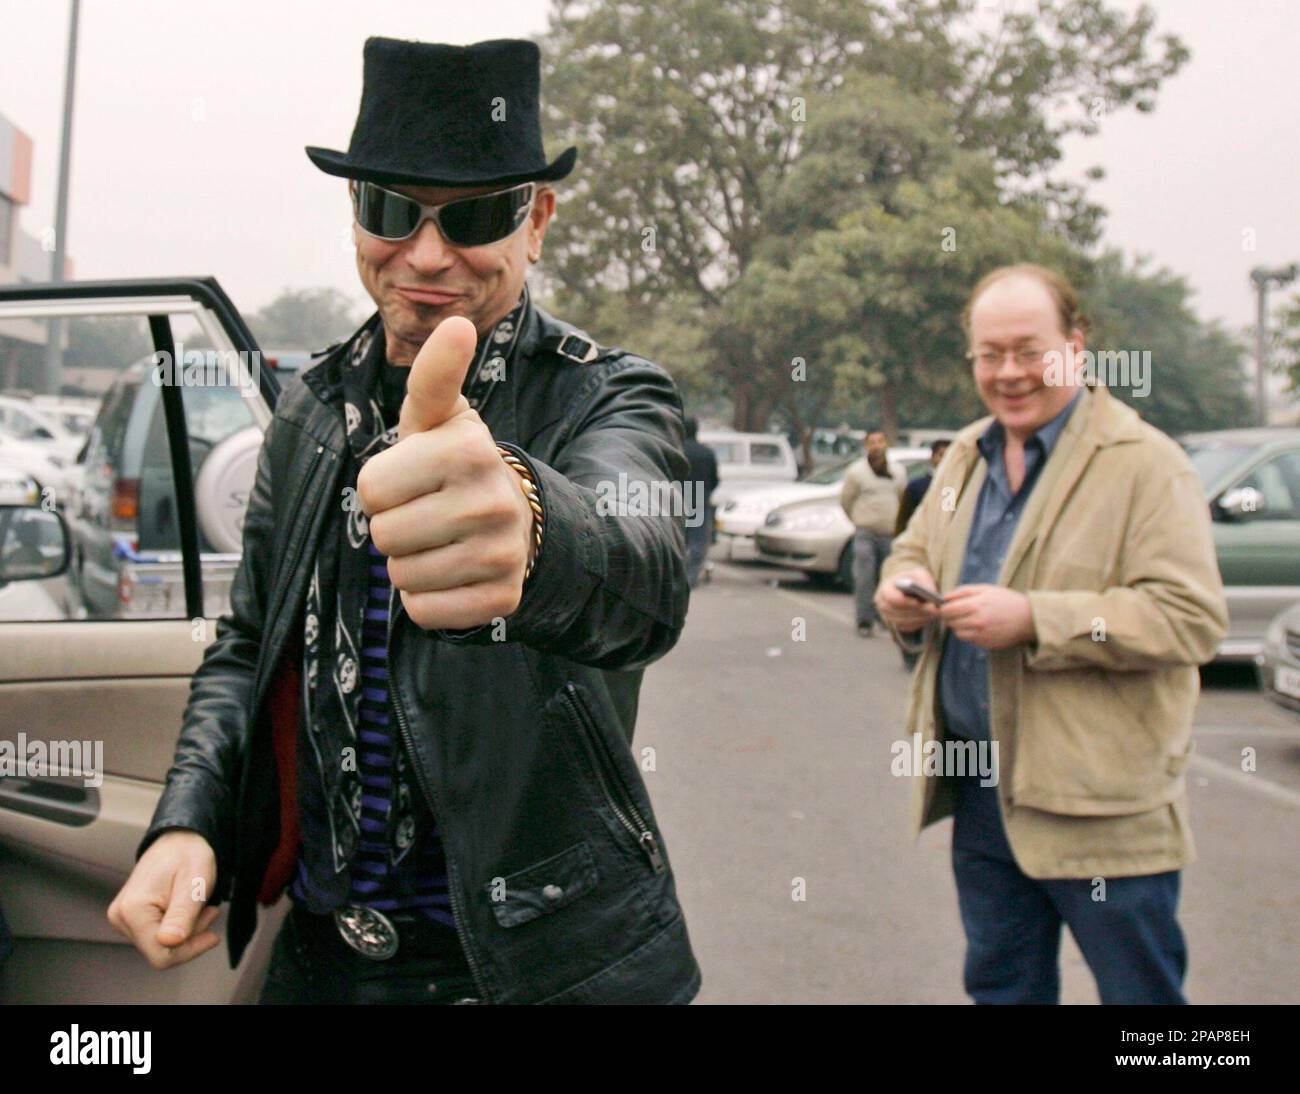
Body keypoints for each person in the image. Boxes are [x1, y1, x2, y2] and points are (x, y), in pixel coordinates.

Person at [106, 37, 701, 1006]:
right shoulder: (312, 403)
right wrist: (191, 822)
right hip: (322, 959)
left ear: (537, 219)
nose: (426, 255)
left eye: (473, 215)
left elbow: (644, 582)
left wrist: (535, 527)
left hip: (531, 966)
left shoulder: (609, 395)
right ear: (354, 213)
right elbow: (248, 641)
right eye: (392, 208)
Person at [876, 263, 1227, 1005]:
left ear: (1077, 344)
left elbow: (1190, 618)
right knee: (1003, 991)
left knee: (1144, 1005)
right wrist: (898, 592)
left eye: (1030, 350)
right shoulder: (967, 454)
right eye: (989, 354)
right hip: (981, 795)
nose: (1009, 373)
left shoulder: (1147, 465)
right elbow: (915, 548)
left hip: (1102, 807)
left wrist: (1036, 618)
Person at [839, 430, 906, 635]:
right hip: (865, 532)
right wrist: (859, 520)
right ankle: (864, 620)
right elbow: (846, 500)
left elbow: (903, 498)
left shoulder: (898, 471)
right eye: (872, 442)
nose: (877, 446)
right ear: (866, 446)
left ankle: (884, 616)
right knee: (864, 576)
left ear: (887, 444)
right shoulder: (856, 472)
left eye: (880, 441)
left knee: (886, 577)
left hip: (889, 533)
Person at [681, 416, 719, 587]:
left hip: (675, 501)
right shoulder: (706, 452)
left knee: (677, 539)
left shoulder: (675, 449)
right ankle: (690, 578)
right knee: (698, 542)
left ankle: (675, 576)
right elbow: (714, 479)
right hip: (700, 500)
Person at [894, 439, 950, 536]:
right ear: (933, 457)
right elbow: (904, 519)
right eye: (941, 455)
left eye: (949, 456)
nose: (945, 460)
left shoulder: (959, 486)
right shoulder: (916, 486)